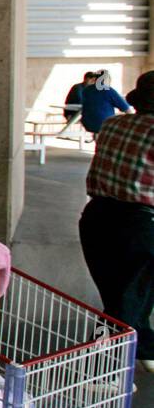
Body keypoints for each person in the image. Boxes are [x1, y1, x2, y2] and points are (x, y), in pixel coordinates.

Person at [79, 71, 154, 372]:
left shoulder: (112, 125)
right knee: (125, 305)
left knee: (121, 301)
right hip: (139, 228)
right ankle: (101, 369)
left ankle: (128, 359)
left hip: (96, 221)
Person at [80, 69, 131, 135]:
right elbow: (126, 109)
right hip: (104, 124)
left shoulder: (86, 90)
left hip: (87, 123)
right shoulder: (108, 90)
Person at [58, 71, 97, 136]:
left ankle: (94, 134)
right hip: (71, 112)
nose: (93, 82)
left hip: (81, 112)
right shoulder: (77, 87)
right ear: (86, 79)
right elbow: (79, 100)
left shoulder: (91, 89)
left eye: (94, 80)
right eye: (92, 80)